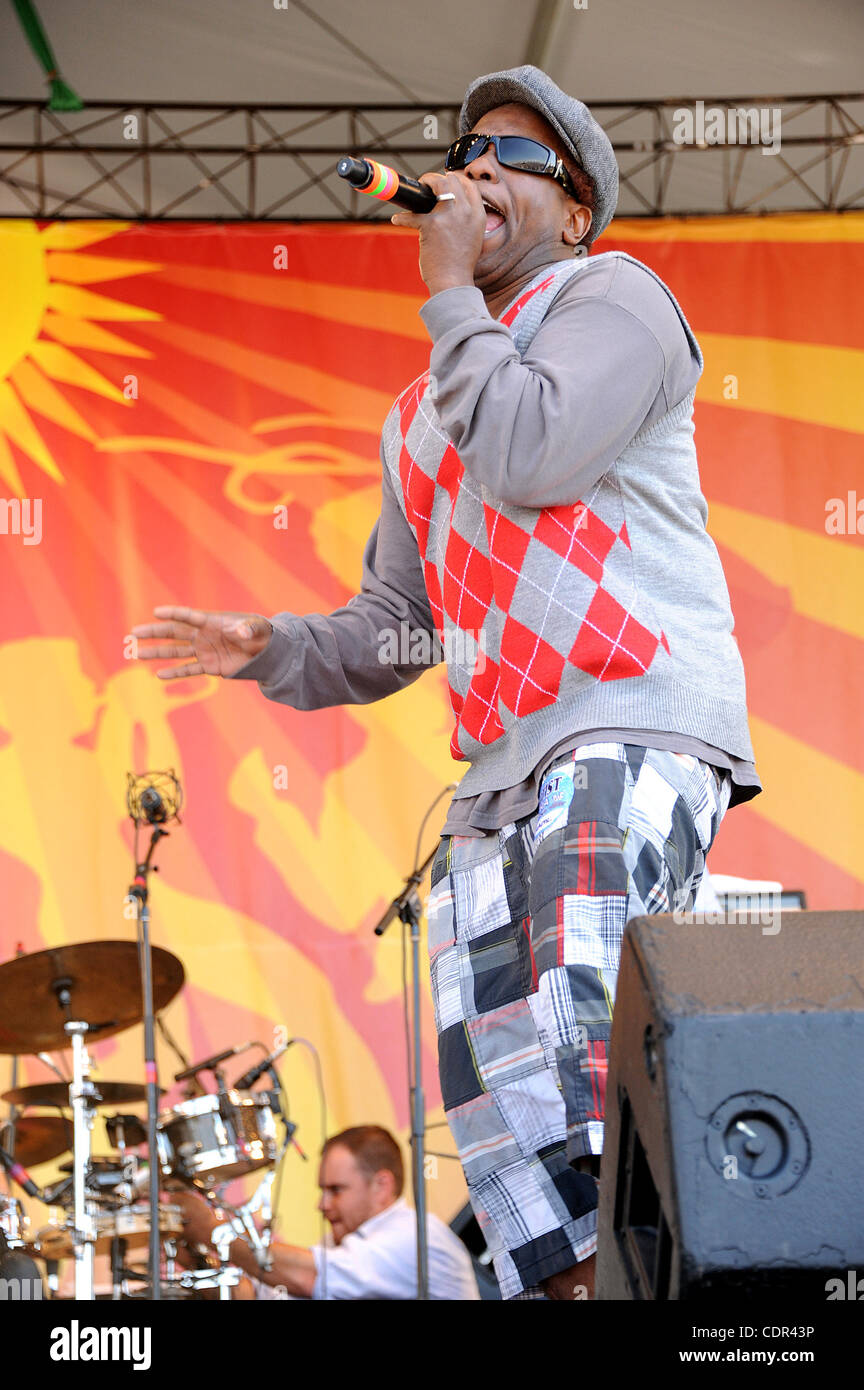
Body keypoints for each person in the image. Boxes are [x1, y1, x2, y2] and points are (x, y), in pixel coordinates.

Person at [132, 64, 761, 1301]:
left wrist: (443, 289)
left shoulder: (616, 298)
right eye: (468, 150)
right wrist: (270, 644)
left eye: (515, 159)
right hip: (501, 773)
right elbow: (400, 626)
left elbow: (533, 449)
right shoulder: (423, 410)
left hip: (631, 724)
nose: (477, 170)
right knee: (502, 1093)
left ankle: (690, 1291)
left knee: (582, 1014)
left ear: (576, 210)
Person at [176, 1124, 479, 1300]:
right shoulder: (347, 1246)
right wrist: (189, 1253)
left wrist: (211, 1229)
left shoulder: (413, 1238)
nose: (322, 1204)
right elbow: (259, 1294)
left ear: (381, 1186)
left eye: (336, 1190)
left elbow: (309, 1276)